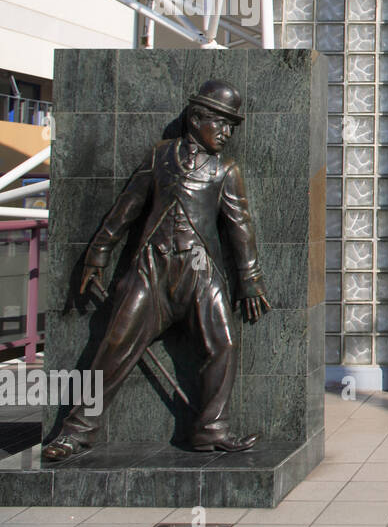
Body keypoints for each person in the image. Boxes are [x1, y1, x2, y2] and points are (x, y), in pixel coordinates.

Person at [43, 80, 270, 459]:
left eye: (232, 126)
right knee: (115, 345)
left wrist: (249, 279)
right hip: (152, 268)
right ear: (197, 118)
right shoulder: (160, 156)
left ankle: (210, 430)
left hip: (201, 270)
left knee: (224, 344)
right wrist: (98, 252)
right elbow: (127, 208)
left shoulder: (226, 169)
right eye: (222, 123)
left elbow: (240, 226)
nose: (227, 133)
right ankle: (76, 432)